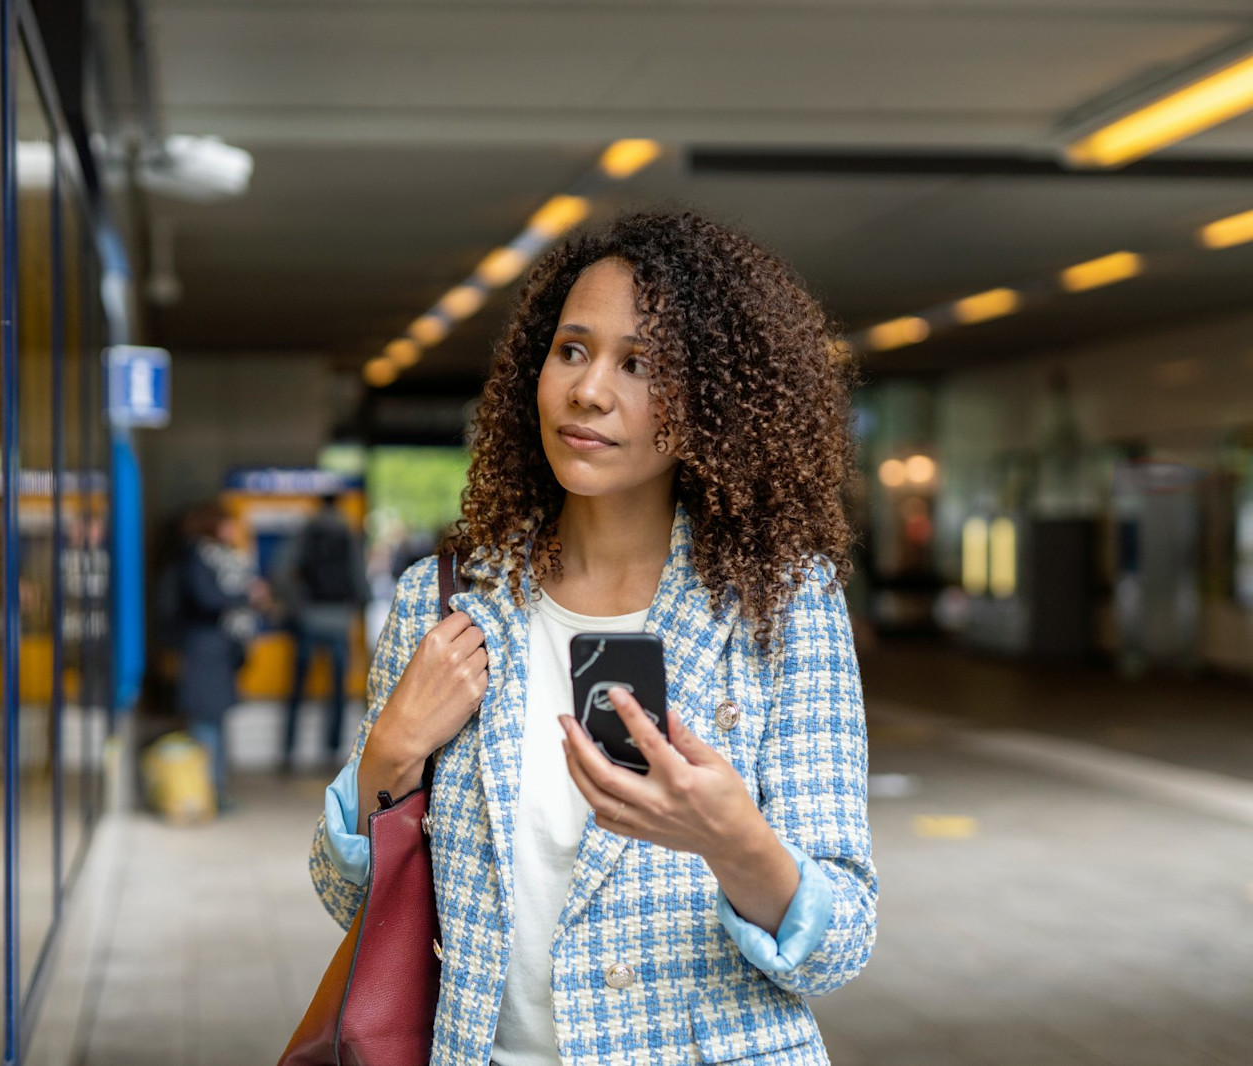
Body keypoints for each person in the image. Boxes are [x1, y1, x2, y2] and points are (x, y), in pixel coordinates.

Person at [307, 213, 875, 1065]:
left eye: (640, 365)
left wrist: (733, 840)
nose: (590, 390)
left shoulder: (782, 606)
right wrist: (387, 754)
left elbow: (842, 944)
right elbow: (351, 900)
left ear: (713, 403)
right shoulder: (449, 605)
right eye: (572, 350)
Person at [157, 502, 267, 812]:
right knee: (206, 722)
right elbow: (207, 599)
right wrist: (246, 597)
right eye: (229, 524)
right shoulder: (197, 558)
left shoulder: (207, 557)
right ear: (213, 525)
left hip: (213, 650)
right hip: (203, 650)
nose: (234, 531)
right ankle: (207, 793)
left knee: (213, 721)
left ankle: (213, 791)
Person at [278, 493, 369, 773]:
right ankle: (330, 753)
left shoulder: (306, 532)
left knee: (297, 688)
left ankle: (288, 753)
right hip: (339, 620)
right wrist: (355, 607)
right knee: (337, 692)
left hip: (308, 619)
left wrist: (297, 605)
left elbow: (280, 571)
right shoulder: (348, 535)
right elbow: (359, 579)